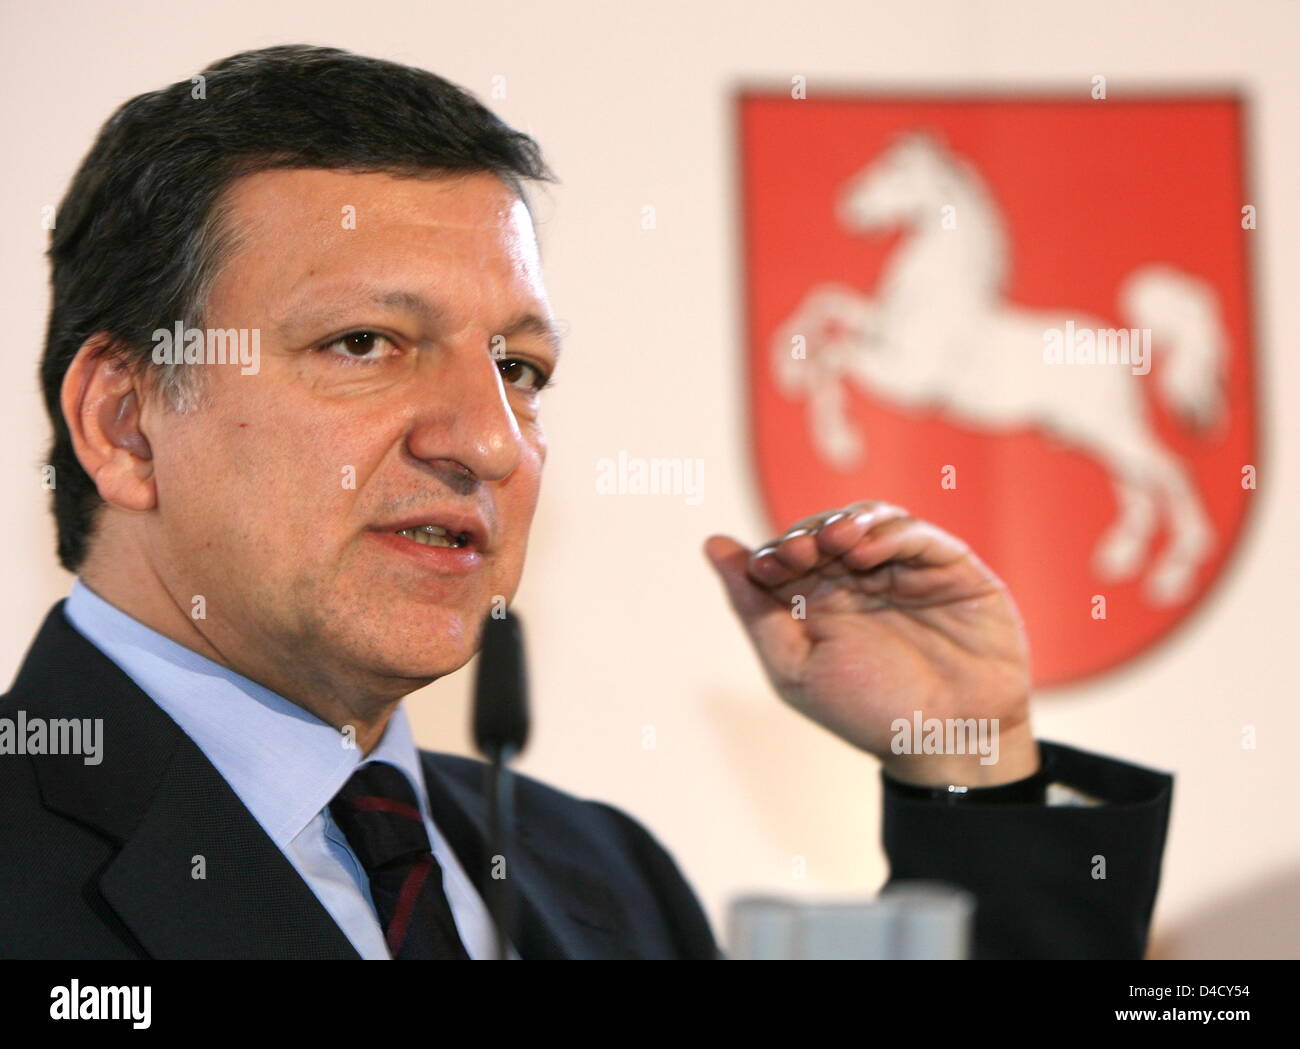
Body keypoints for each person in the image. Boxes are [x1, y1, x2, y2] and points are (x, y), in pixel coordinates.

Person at [0, 45, 1171, 960]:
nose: (487, 442)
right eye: (365, 342)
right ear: (125, 419)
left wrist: (966, 760)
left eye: (519, 368)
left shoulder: (600, 875)